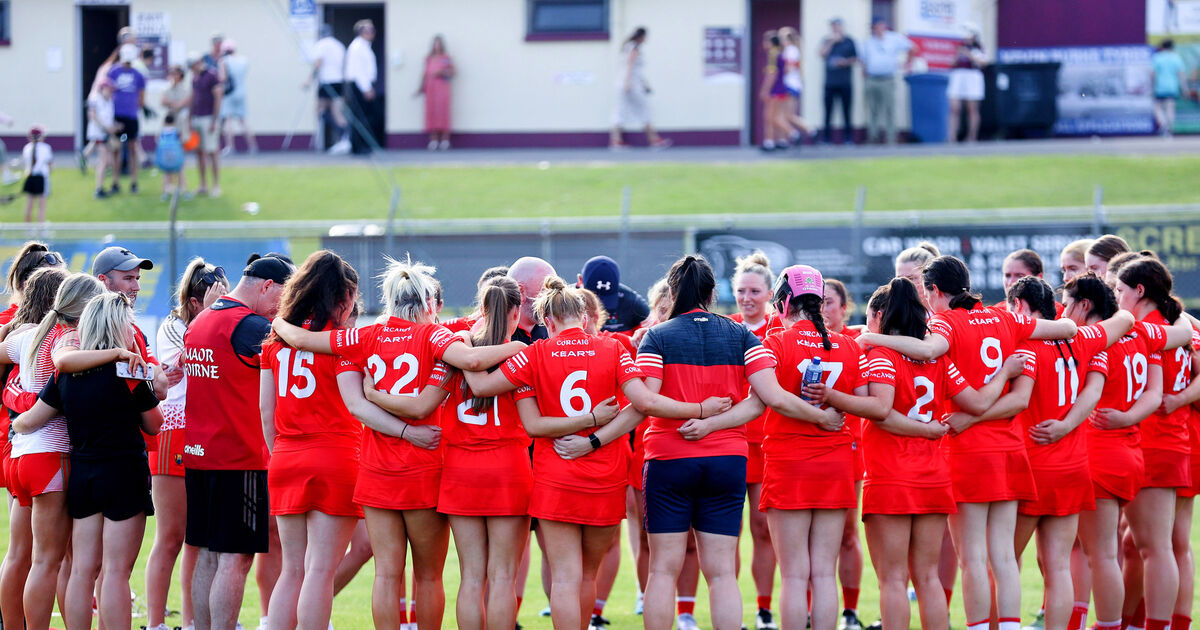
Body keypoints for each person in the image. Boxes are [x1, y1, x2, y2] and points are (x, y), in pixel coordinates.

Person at [559, 255, 836, 630]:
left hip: (669, 460)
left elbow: (644, 403)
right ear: (711, 292)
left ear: (672, 292)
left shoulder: (659, 335)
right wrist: (820, 416)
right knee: (722, 573)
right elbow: (767, 399)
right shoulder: (742, 335)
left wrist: (594, 440)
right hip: (727, 460)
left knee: (662, 570)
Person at [270, 257, 525, 630]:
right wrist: (518, 348)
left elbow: (303, 339)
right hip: (424, 470)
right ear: (426, 304)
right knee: (428, 576)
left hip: (375, 473)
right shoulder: (434, 336)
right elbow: (470, 358)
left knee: (386, 575)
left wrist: (277, 320)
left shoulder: (363, 336)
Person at [466, 274, 730, 630]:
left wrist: (465, 345)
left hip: (555, 476)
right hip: (605, 478)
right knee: (588, 576)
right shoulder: (613, 349)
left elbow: (488, 390)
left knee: (563, 578)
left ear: (548, 321)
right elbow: (642, 405)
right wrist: (699, 410)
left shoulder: (534, 353)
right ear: (586, 317)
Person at [858, 255, 1078, 630]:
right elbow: (1068, 329)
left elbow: (928, 352)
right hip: (1009, 447)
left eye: (928, 294)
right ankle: (1008, 625)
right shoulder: (1004, 317)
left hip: (966, 449)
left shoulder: (946, 323)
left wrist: (870, 337)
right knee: (1004, 556)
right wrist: (1010, 366)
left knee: (973, 557)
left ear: (936, 291)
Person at [845, 277, 1023, 630]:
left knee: (893, 580)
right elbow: (977, 402)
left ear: (879, 316)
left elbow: (883, 414)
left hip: (891, 476)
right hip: (934, 476)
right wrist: (1005, 372)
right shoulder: (941, 360)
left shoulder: (879, 354)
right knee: (928, 579)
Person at [14, 291, 162, 630]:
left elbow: (32, 418)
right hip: (124, 474)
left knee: (82, 570)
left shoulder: (67, 373)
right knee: (115, 572)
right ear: (116, 327)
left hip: (82, 475)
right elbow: (154, 424)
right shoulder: (127, 370)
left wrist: (13, 422)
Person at [1005, 276, 1132, 630]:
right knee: (1058, 566)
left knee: (1002, 561)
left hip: (1032, 465)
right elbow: (1124, 320)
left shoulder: (1024, 344)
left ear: (1019, 307)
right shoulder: (1082, 338)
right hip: (1072, 466)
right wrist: (1067, 425)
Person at [184, 253, 293, 630]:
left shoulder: (201, 320)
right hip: (239, 459)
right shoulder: (249, 327)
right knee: (236, 558)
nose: (285, 306)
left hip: (199, 455)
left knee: (208, 556)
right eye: (285, 295)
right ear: (267, 287)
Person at [260, 251, 362, 630]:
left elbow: (266, 413)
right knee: (319, 570)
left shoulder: (274, 342)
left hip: (286, 456)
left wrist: (282, 454)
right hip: (336, 455)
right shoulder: (344, 340)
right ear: (340, 296)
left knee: (292, 570)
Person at [145, 258, 227, 630]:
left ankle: (195, 620)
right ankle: (156, 622)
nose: (225, 304)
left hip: (207, 432)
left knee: (199, 537)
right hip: (175, 430)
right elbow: (193, 358)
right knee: (171, 535)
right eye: (216, 296)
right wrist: (214, 316)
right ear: (196, 301)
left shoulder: (221, 322)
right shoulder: (174, 326)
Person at [1114, 258, 1196, 630]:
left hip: (1150, 444)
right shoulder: (1176, 325)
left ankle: (1153, 625)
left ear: (1139, 291)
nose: (1116, 297)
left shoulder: (1145, 331)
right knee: (1159, 546)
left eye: (1119, 290)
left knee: (1155, 548)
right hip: (1173, 442)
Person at [0, 267, 70, 630]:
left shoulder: (24, 335)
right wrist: (26, 400)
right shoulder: (63, 337)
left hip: (20, 455)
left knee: (19, 555)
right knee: (49, 561)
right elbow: (61, 386)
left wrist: (14, 397)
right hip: (48, 455)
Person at [725, 252, 780, 629]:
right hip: (730, 439)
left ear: (771, 293)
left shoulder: (779, 331)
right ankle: (731, 610)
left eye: (755, 291)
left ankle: (763, 609)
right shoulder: (725, 327)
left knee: (763, 528)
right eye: (741, 290)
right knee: (727, 532)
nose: (747, 297)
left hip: (766, 443)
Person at [610, 27, 671, 150]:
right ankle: (654, 140)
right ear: (641, 37)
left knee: (621, 111)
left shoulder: (627, 46)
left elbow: (633, 69)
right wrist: (628, 83)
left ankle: (616, 141)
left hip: (625, 83)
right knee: (644, 109)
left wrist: (643, 84)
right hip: (631, 85)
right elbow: (630, 66)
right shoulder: (634, 48)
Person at [859, 17, 914, 145]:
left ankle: (891, 138)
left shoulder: (893, 38)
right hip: (872, 78)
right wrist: (864, 74)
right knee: (873, 109)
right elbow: (863, 60)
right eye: (875, 26)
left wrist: (907, 63)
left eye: (880, 25)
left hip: (887, 78)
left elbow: (912, 48)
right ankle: (873, 137)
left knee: (890, 109)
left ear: (884, 26)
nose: (878, 28)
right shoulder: (868, 42)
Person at [107, 43, 146, 193]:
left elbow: (142, 97)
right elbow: (107, 92)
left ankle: (134, 181)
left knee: (132, 148)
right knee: (116, 148)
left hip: (131, 117)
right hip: (118, 117)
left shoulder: (138, 75)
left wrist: (136, 107)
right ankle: (115, 182)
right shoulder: (114, 72)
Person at [306, 24, 351, 155]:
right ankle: (345, 137)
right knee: (338, 112)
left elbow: (318, 64)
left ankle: (343, 136)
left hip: (326, 81)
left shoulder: (321, 45)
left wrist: (309, 80)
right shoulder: (339, 45)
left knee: (320, 110)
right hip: (339, 81)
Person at [577, 255, 650, 334]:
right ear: (580, 281)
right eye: (592, 297)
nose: (598, 307)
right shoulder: (566, 302)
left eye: (605, 299)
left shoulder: (632, 301)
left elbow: (653, 337)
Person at [189, 53, 224, 198]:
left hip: (209, 118)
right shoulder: (195, 79)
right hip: (198, 118)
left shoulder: (212, 76)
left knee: (212, 151)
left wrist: (215, 120)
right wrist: (190, 118)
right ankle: (203, 184)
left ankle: (216, 185)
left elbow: (218, 98)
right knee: (199, 152)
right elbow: (193, 98)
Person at [820, 18, 857, 144]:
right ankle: (826, 138)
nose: (836, 28)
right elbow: (822, 54)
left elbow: (855, 58)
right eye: (833, 26)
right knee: (828, 111)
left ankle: (848, 138)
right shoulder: (827, 40)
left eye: (838, 26)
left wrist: (844, 62)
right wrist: (831, 42)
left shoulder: (849, 41)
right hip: (830, 83)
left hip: (845, 82)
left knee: (846, 111)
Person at [345, 19, 379, 155]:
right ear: (361, 32)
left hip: (364, 84)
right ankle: (359, 147)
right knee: (360, 117)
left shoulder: (365, 46)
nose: (372, 33)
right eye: (369, 30)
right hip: (359, 86)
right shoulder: (357, 47)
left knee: (366, 116)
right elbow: (358, 71)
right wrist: (366, 88)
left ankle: (362, 146)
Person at [219, 39, 258, 156]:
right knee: (243, 120)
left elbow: (222, 78)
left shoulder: (224, 61)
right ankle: (253, 146)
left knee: (228, 120)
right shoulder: (244, 60)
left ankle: (230, 147)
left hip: (229, 93)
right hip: (241, 92)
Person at [947, 29, 986, 143]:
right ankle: (951, 137)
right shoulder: (959, 47)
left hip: (972, 76)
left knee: (971, 108)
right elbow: (952, 64)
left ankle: (972, 136)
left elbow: (983, 63)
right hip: (958, 75)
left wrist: (968, 54)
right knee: (954, 108)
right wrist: (957, 56)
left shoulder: (978, 48)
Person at [160, 65, 193, 199]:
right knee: (167, 159)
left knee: (179, 161)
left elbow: (183, 104)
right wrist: (175, 104)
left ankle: (183, 189)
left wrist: (173, 103)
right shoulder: (166, 88)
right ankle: (167, 189)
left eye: (176, 73)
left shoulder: (186, 89)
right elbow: (163, 101)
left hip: (181, 128)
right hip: (168, 129)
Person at [417, 35, 454, 151]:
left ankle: (445, 140)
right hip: (430, 89)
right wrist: (421, 88)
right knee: (431, 112)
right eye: (435, 44)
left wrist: (441, 71)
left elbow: (452, 72)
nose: (437, 46)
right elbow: (425, 74)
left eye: (439, 44)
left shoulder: (446, 58)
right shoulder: (429, 58)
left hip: (442, 88)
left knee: (442, 112)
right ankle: (433, 140)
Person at [509, 257, 555, 344]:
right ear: (520, 292)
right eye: (545, 292)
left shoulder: (553, 329)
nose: (552, 299)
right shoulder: (495, 332)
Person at [777, 27, 812, 145]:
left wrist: (778, 74)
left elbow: (788, 68)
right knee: (786, 115)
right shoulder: (794, 50)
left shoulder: (790, 50)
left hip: (789, 85)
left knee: (786, 115)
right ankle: (786, 138)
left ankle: (807, 131)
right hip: (794, 85)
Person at [87, 80, 120, 199]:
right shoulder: (95, 99)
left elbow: (108, 119)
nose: (111, 92)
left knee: (110, 160)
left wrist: (115, 126)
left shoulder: (110, 101)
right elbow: (93, 115)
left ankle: (104, 185)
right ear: (102, 89)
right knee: (104, 161)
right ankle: (98, 189)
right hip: (99, 134)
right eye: (109, 89)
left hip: (106, 134)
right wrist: (106, 128)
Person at [759, 31, 790, 151]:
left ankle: (769, 142)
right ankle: (782, 140)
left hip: (774, 90)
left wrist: (765, 90)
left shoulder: (772, 54)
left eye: (765, 41)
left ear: (771, 43)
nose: (763, 44)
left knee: (769, 117)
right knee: (778, 115)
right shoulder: (782, 54)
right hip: (782, 89)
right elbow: (786, 71)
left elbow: (772, 74)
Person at [1152, 40, 1188, 136]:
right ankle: (1169, 129)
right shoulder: (1176, 58)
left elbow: (1153, 74)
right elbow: (1181, 74)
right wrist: (1185, 89)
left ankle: (1163, 125)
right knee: (1170, 108)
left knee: (1157, 107)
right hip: (1172, 87)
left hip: (1159, 87)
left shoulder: (1157, 57)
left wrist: (1152, 87)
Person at [20, 125, 52, 223]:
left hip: (30, 177)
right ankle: (41, 228)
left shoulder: (26, 148)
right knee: (41, 205)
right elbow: (50, 165)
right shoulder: (46, 148)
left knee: (29, 203)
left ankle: (28, 229)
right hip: (41, 177)